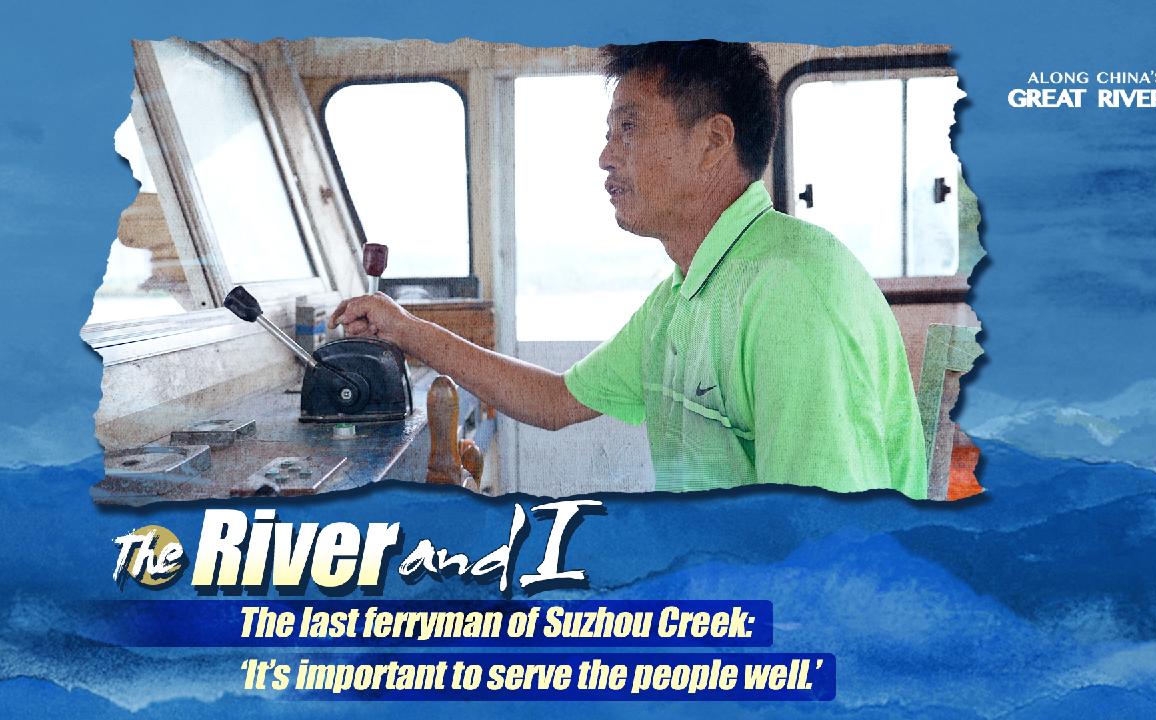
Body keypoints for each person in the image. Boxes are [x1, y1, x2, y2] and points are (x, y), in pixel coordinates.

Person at [330, 40, 928, 498]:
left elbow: (822, 552)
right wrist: (406, 329)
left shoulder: (791, 287)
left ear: (714, 141)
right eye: (609, 131)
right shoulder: (686, 297)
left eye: (629, 128)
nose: (604, 155)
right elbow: (557, 400)